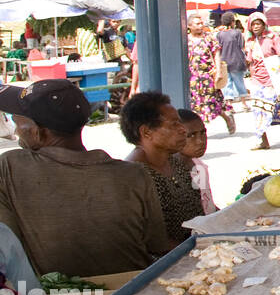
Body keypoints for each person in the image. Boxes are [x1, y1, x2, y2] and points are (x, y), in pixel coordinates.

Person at [0, 80, 170, 278]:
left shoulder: (10, 166)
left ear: (38, 133)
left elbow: (8, 247)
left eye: (18, 121)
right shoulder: (135, 174)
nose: (15, 129)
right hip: (132, 291)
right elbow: (157, 245)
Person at [120, 91, 203, 249]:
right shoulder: (134, 176)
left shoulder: (175, 162)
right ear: (146, 132)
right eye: (174, 124)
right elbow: (150, 242)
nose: (183, 130)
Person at [245, 15, 280, 150]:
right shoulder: (250, 41)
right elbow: (251, 62)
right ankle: (263, 140)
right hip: (257, 81)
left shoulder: (273, 38)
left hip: (272, 79)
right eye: (253, 25)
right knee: (258, 110)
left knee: (278, 108)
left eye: (258, 24)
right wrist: (251, 79)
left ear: (264, 24)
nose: (256, 27)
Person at [187, 14, 235, 134]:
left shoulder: (209, 38)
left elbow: (216, 54)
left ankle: (227, 118)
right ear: (189, 26)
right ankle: (200, 130)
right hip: (193, 77)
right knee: (196, 104)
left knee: (213, 102)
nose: (200, 25)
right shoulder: (185, 40)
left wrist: (218, 71)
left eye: (201, 23)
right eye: (197, 24)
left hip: (208, 75)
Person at [177, 108, 217, 215]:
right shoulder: (173, 174)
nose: (200, 141)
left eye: (203, 133)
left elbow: (208, 204)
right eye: (191, 135)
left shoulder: (199, 166)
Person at [216, 12, 249, 107]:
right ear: (232, 22)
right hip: (236, 61)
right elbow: (241, 46)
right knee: (239, 82)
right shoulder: (237, 33)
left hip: (224, 62)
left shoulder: (219, 34)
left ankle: (229, 104)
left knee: (227, 83)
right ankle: (244, 103)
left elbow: (219, 48)